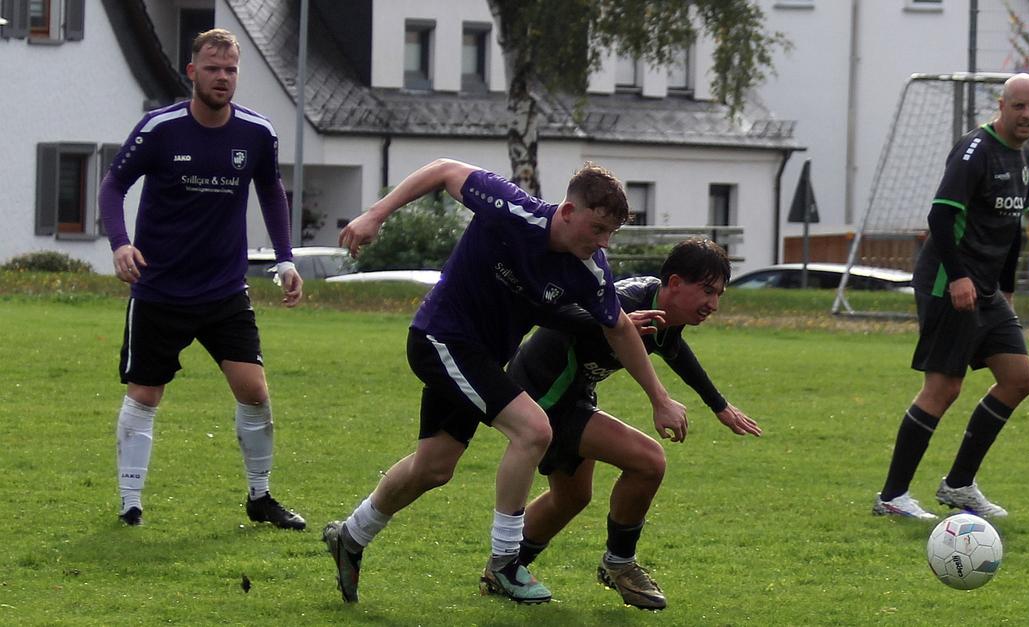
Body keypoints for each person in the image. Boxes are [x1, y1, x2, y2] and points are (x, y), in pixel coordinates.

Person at [323, 159, 689, 605]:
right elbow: (442, 170)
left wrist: (659, 397)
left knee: (434, 467)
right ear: (568, 211)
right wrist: (376, 214)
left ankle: (351, 534)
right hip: (441, 337)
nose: (603, 243)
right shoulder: (510, 208)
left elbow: (618, 329)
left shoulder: (589, 269)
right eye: (597, 229)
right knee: (533, 429)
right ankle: (504, 563)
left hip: (480, 360)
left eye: (610, 234)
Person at [99, 29, 306, 530]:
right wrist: (120, 243)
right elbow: (113, 184)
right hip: (159, 289)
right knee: (145, 395)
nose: (223, 78)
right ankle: (130, 504)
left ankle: (261, 498)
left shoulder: (258, 133)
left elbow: (272, 192)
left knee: (255, 392)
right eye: (213, 69)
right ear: (192, 73)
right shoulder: (160, 129)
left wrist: (284, 258)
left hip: (224, 291)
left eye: (231, 69)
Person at [506, 237, 761, 610]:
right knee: (648, 460)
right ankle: (618, 563)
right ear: (675, 283)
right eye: (707, 291)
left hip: (573, 396)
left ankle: (506, 567)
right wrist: (660, 400)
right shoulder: (628, 302)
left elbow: (674, 350)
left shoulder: (664, 312)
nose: (714, 304)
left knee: (572, 497)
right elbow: (572, 318)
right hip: (545, 397)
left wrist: (718, 405)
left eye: (719, 294)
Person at [873, 73, 1029, 520]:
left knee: (1019, 379)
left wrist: (1005, 288)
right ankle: (892, 497)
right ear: (1001, 106)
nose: (1027, 115)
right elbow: (941, 217)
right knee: (944, 387)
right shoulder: (975, 151)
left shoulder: (1024, 159)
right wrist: (959, 276)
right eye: (1019, 106)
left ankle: (959, 485)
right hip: (949, 282)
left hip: (986, 289)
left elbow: (1013, 228)